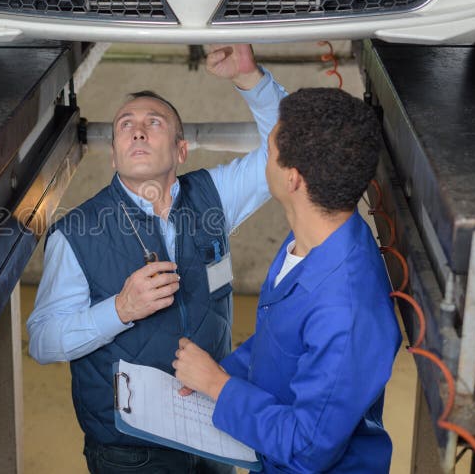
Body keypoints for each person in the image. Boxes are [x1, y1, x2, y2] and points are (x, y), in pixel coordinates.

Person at [27, 44, 288, 473]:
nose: (138, 131)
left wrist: (251, 78)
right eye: (125, 125)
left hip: (212, 434)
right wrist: (120, 309)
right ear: (113, 155)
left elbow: (286, 148)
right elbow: (42, 341)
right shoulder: (76, 233)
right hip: (131, 453)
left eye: (154, 122)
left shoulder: (213, 197)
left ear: (181, 150)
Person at [172, 88, 401, 473]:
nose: (266, 156)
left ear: (292, 179)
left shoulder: (346, 312)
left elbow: (306, 449)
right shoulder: (313, 241)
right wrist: (222, 371)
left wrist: (218, 386)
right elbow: (282, 341)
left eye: (271, 149)